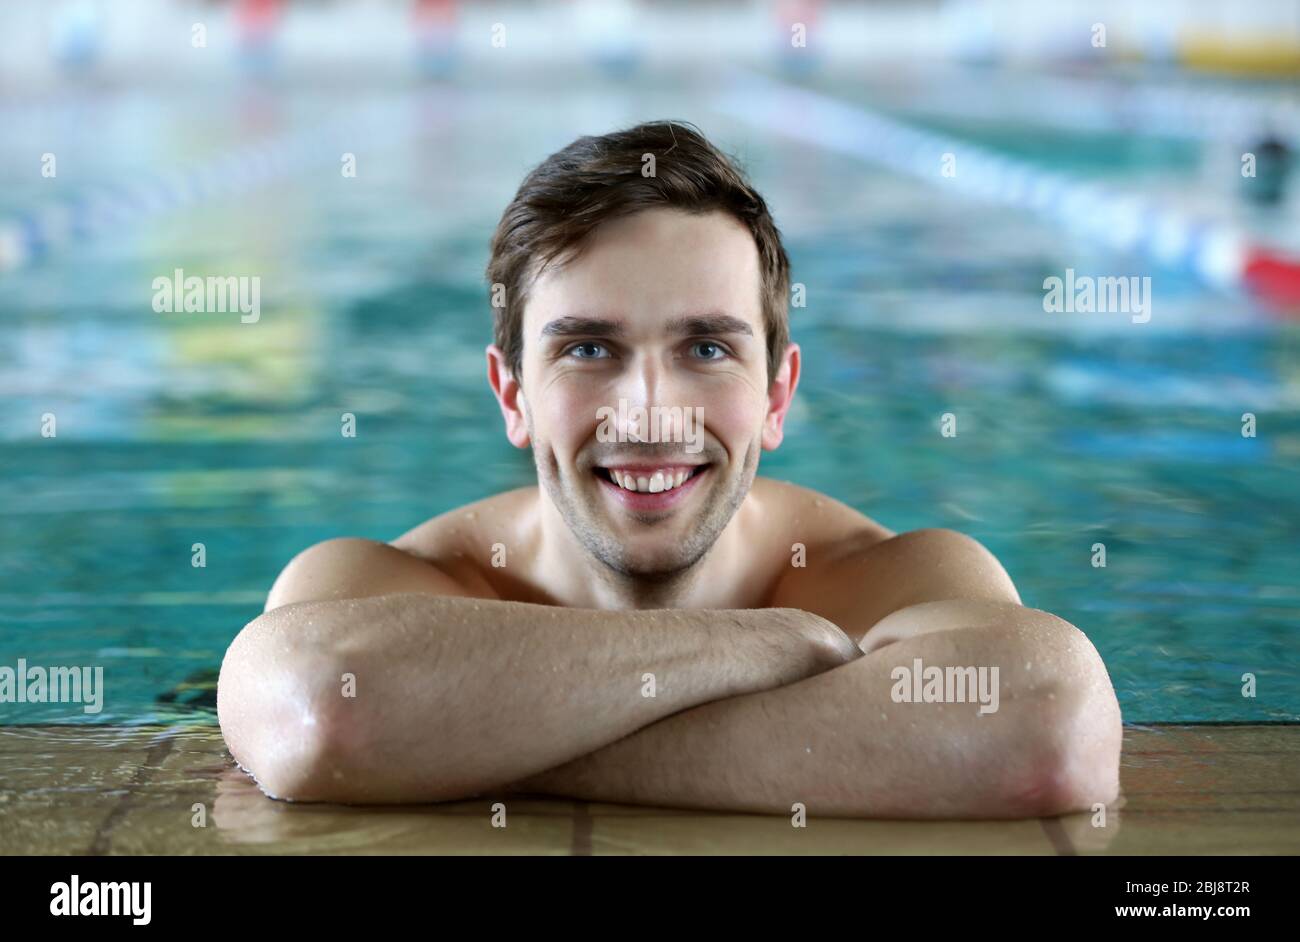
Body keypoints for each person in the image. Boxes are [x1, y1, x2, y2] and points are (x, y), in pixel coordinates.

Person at [217, 121, 1121, 818]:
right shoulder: (393, 582)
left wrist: (455, 737)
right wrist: (767, 648)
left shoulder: (889, 578)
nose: (650, 412)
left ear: (777, 393)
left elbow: (1055, 725)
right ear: (512, 393)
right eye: (589, 348)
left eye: (704, 347)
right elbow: (319, 717)